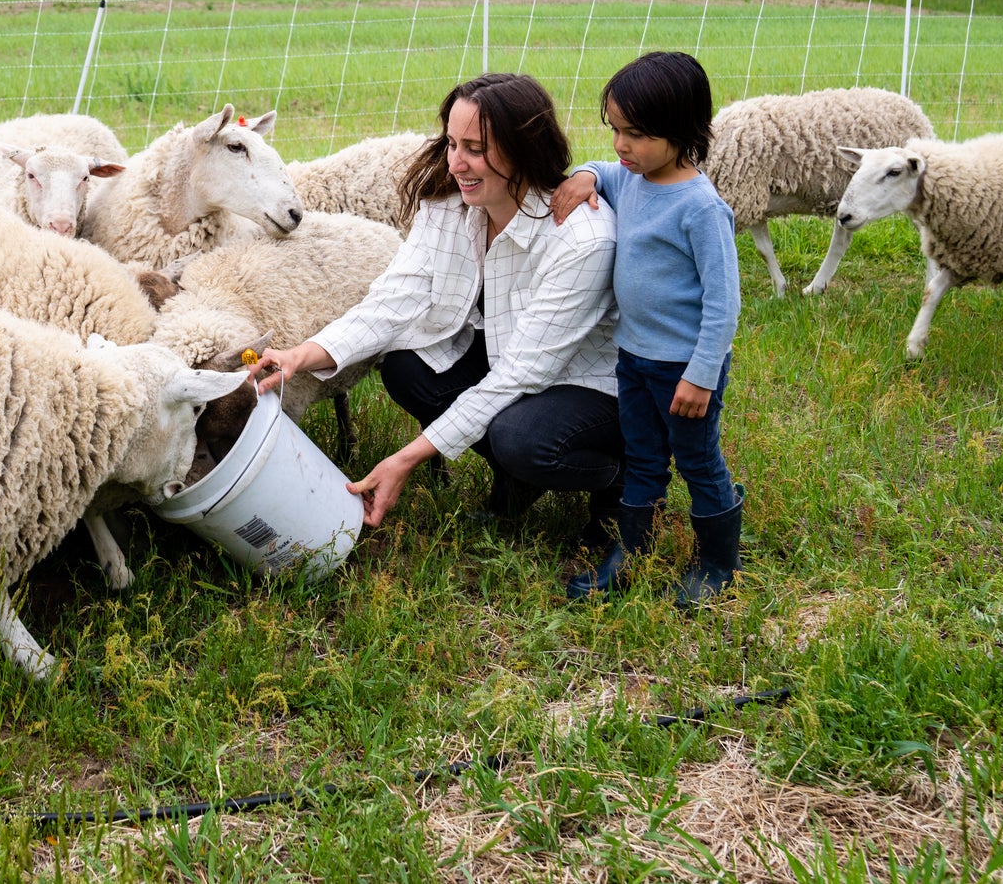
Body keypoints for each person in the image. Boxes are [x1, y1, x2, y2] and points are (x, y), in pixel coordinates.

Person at [246, 72, 622, 546]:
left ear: (524, 148)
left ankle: (621, 481)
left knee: (519, 437)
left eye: (475, 148)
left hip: (588, 385)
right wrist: (303, 354)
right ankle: (517, 478)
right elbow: (391, 301)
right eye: (451, 143)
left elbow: (520, 375)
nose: (456, 163)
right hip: (512, 357)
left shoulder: (580, 237)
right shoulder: (450, 205)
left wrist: (405, 459)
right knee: (407, 365)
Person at [548, 51, 742, 608]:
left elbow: (723, 305)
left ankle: (716, 562)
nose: (620, 146)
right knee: (642, 455)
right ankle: (632, 551)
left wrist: (702, 375)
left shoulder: (701, 208)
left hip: (685, 369)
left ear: (681, 132)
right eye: (614, 130)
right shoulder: (632, 178)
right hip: (632, 358)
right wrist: (586, 174)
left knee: (698, 458)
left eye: (634, 134)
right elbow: (606, 172)